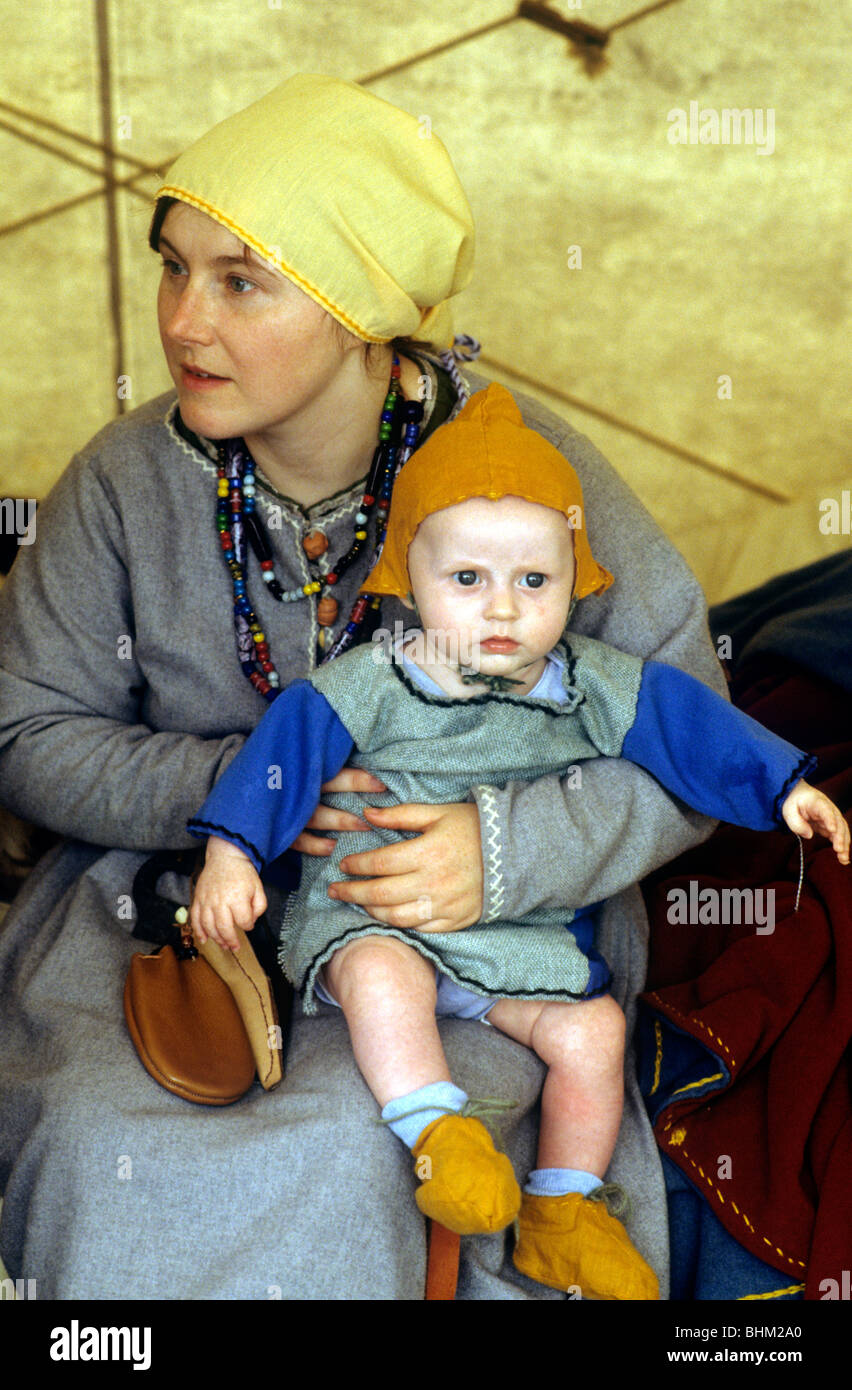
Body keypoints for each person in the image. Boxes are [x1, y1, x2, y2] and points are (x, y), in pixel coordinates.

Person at [0, 74, 732, 1300]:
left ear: (358, 307)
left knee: (363, 1147)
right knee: (100, 1137)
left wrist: (498, 851)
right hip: (171, 918)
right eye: (172, 266)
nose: (185, 319)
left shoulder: (524, 475)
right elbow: (28, 728)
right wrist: (244, 789)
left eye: (242, 280)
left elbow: (688, 734)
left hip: (475, 938)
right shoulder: (125, 480)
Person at [186, 383, 849, 1300]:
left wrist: (784, 787)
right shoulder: (378, 680)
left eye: (533, 582)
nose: (502, 609)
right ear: (406, 581)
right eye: (467, 581)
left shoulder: (593, 683)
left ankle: (562, 1211)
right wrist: (231, 852)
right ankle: (437, 1130)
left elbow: (692, 728)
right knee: (383, 978)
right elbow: (284, 756)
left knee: (595, 1030)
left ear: (574, 584)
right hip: (380, 914)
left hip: (517, 938)